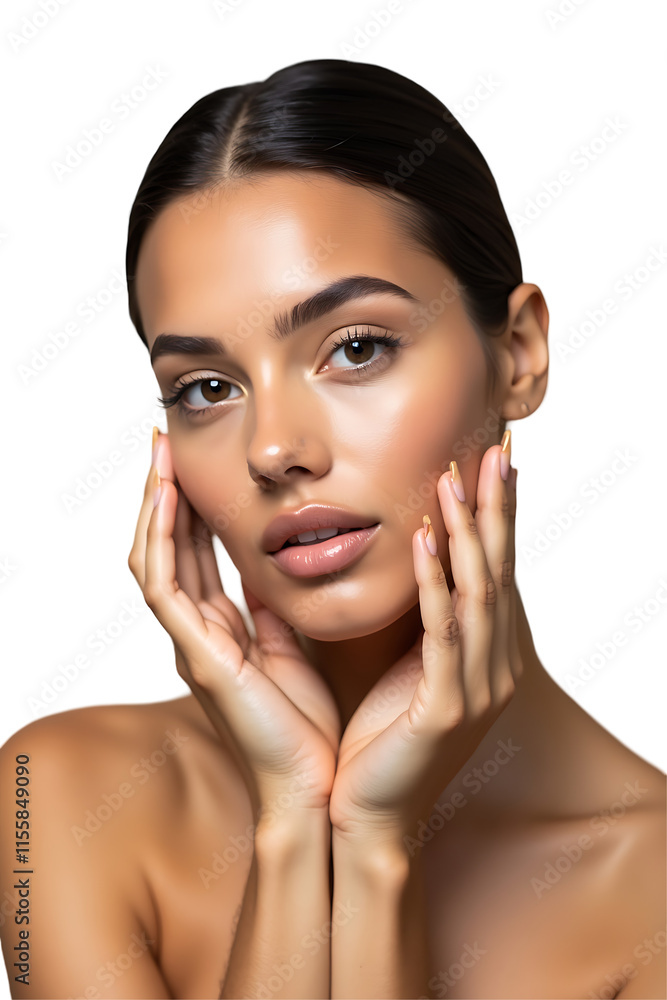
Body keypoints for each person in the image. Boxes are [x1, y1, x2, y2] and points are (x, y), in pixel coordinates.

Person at [1, 58, 664, 1000]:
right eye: (207, 388)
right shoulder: (45, 796)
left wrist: (373, 849)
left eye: (355, 348)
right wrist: (291, 821)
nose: (273, 448)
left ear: (517, 355)